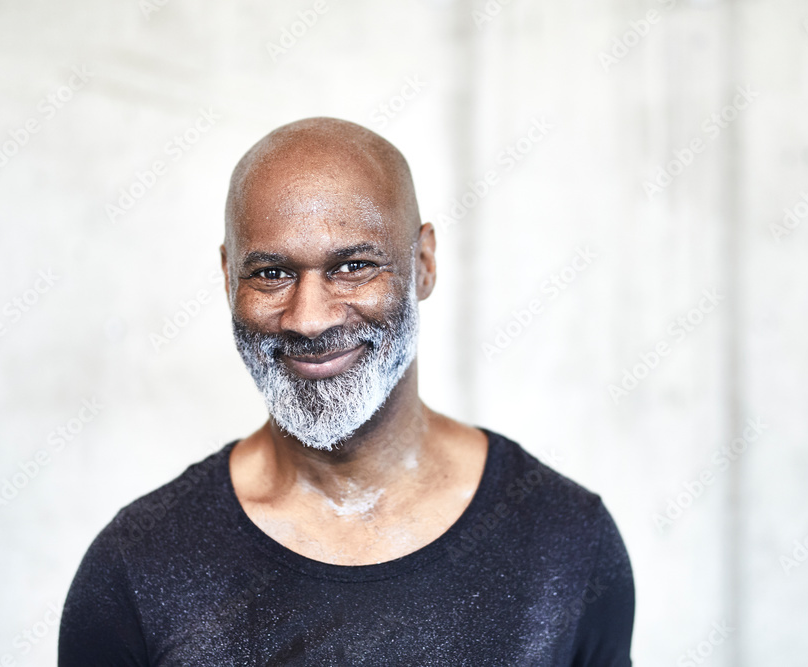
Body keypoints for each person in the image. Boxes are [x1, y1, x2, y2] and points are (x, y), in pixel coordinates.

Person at [58, 117, 634, 666]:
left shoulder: (565, 541)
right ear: (228, 275)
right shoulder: (138, 566)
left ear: (424, 263)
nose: (308, 320)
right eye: (272, 274)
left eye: (353, 265)